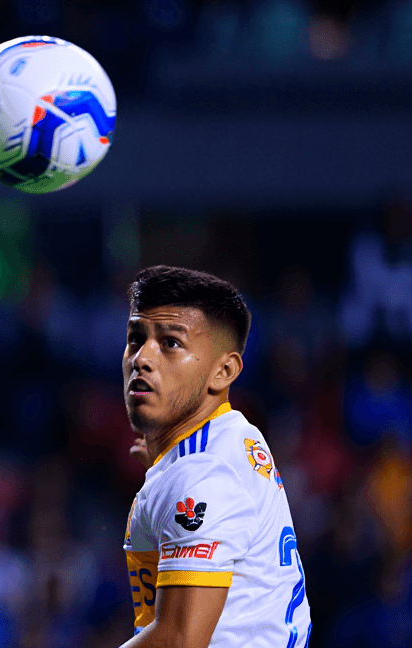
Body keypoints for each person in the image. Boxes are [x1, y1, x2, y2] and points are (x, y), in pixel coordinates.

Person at [118, 266, 311, 648]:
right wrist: (160, 461)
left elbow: (180, 640)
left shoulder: (201, 474)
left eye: (170, 343)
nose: (142, 358)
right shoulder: (232, 433)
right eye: (136, 339)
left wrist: (176, 475)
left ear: (224, 371)